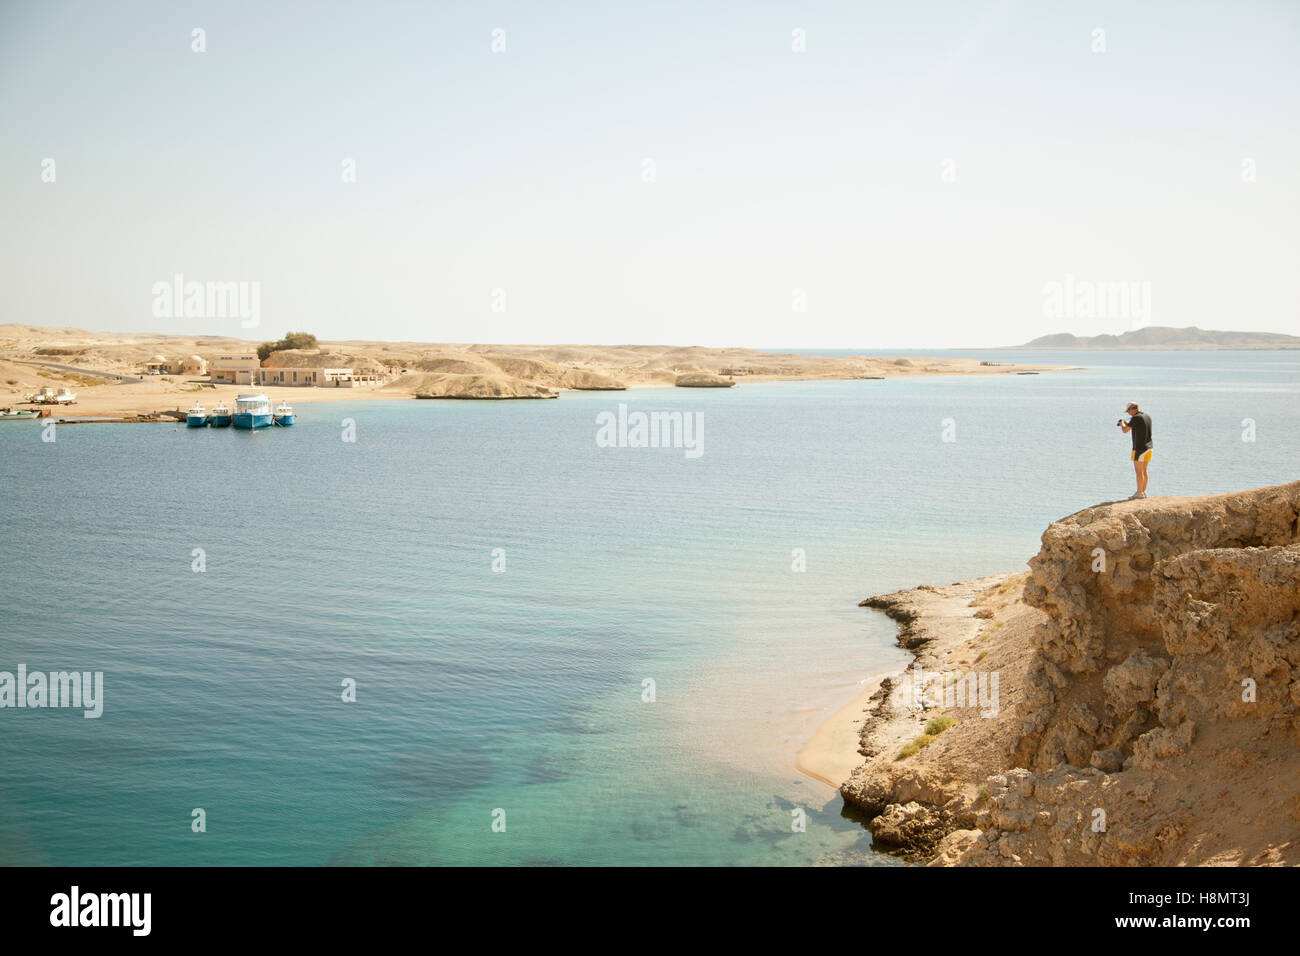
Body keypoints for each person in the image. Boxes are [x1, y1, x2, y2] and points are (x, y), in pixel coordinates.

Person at [1117, 402, 1152, 499]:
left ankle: (1139, 493)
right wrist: (1127, 423)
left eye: (1128, 411)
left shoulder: (1136, 418)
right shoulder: (1146, 416)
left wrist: (1122, 424)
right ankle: (1143, 492)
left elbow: (1125, 430)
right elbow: (1136, 427)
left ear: (1133, 409)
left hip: (1139, 448)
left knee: (1139, 472)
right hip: (1149, 447)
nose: (1128, 413)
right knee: (1144, 471)